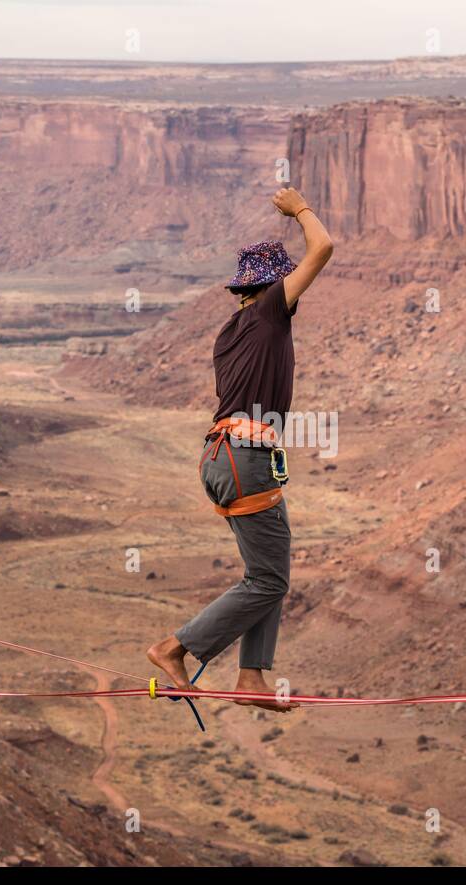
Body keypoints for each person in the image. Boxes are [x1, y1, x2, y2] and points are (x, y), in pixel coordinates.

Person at [147, 187, 334, 712]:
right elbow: (323, 249)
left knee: (268, 576)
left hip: (226, 456)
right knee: (269, 579)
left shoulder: (231, 330)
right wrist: (299, 210)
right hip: (245, 458)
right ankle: (173, 647)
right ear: (273, 286)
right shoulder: (271, 311)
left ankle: (250, 678)